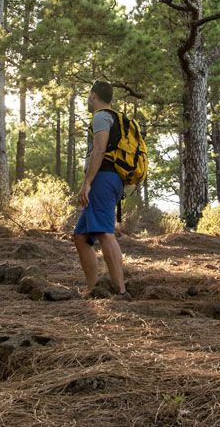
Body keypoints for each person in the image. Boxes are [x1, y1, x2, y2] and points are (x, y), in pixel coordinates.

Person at [73, 80, 128, 297]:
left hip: (103, 178)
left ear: (94, 95)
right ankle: (94, 289)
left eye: (88, 95)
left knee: (105, 233)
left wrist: (87, 183)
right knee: (81, 236)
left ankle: (120, 291)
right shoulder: (113, 117)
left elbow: (99, 149)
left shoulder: (101, 116)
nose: (88, 99)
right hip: (109, 179)